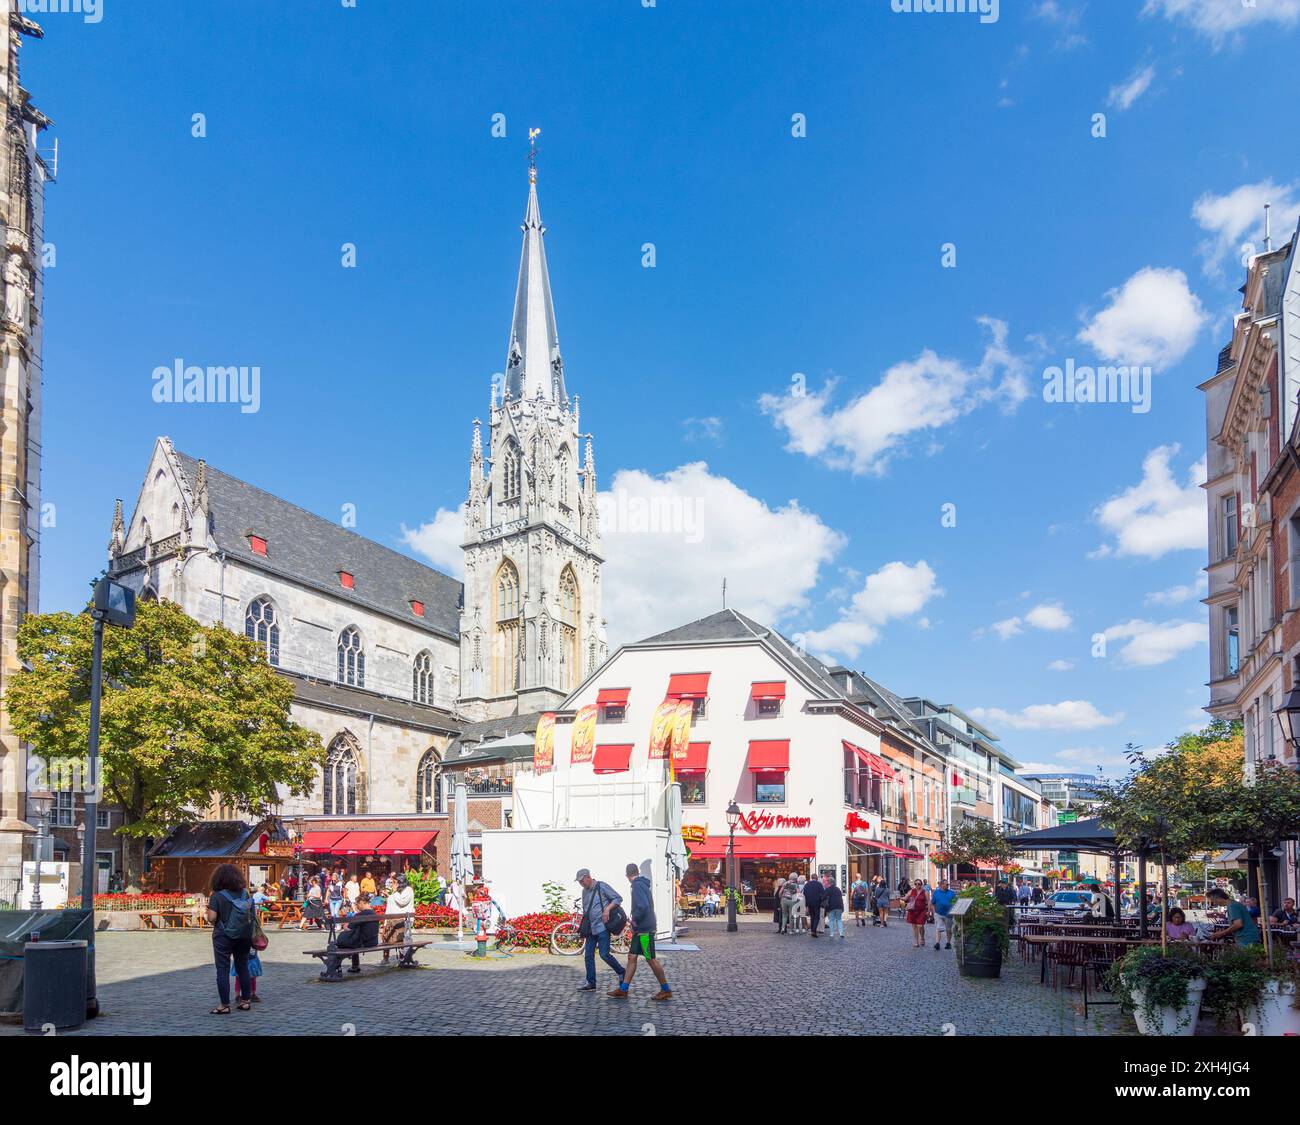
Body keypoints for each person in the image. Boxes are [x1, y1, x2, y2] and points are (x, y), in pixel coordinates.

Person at [610, 863, 673, 1001]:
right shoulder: (642, 884)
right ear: (637, 872)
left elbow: (642, 906)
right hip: (642, 929)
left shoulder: (637, 886)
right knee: (632, 957)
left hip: (644, 930)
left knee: (650, 959)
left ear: (627, 875)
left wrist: (634, 921)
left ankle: (666, 989)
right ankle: (624, 989)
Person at [204, 863, 255, 1014]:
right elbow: (252, 914)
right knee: (243, 967)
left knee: (222, 969)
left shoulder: (217, 896)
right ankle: (245, 1001)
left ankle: (224, 1005)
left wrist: (210, 916)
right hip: (244, 935)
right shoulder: (245, 894)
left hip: (223, 936)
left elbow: (212, 918)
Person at [575, 868, 626, 992]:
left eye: (582, 881)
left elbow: (618, 898)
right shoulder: (584, 892)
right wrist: (583, 927)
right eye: (579, 882)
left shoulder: (602, 886)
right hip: (591, 929)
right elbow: (586, 910)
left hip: (603, 927)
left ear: (588, 877)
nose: (581, 884)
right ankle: (591, 983)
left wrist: (607, 909)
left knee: (604, 954)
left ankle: (621, 972)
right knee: (588, 956)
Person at [322, 892, 381, 978]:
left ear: (362, 903)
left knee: (339, 944)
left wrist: (345, 926)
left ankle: (337, 967)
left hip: (362, 943)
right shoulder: (374, 914)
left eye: (357, 904)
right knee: (353, 941)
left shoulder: (360, 915)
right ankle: (355, 966)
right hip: (373, 942)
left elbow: (348, 927)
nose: (356, 906)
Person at [380, 874, 415, 961]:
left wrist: (394, 892)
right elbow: (392, 904)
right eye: (392, 882)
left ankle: (402, 958)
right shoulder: (397, 891)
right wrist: (389, 895)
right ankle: (386, 958)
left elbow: (402, 901)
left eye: (394, 882)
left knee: (399, 938)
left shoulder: (408, 890)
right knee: (385, 937)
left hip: (402, 920)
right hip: (391, 919)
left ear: (400, 882)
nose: (392, 884)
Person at [930, 879, 956, 951]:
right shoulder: (936, 892)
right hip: (939, 913)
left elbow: (955, 902)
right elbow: (932, 903)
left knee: (948, 929)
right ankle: (937, 943)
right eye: (946, 884)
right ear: (941, 885)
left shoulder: (952, 893)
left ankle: (948, 943)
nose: (947, 885)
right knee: (938, 928)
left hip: (949, 914)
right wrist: (934, 912)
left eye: (948, 884)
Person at [905, 879, 929, 949]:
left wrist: (929, 911)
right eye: (915, 884)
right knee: (914, 927)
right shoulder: (911, 891)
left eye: (919, 884)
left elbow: (929, 902)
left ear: (921, 885)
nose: (917, 885)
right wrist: (902, 898)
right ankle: (916, 941)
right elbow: (906, 897)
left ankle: (922, 937)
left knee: (920, 926)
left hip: (922, 911)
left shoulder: (925, 892)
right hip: (912, 911)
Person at [801, 873, 825, 938]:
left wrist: (806, 904)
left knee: (812, 916)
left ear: (811, 878)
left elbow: (804, 893)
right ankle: (813, 930)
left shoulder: (807, 884)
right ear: (816, 878)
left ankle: (812, 930)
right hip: (817, 903)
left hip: (809, 903)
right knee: (817, 917)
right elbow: (823, 893)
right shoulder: (819, 884)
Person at [824, 875, 845, 940]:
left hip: (831, 907)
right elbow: (840, 898)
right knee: (839, 920)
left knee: (831, 920)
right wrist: (842, 907)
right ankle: (841, 933)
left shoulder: (828, 889)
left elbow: (824, 897)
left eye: (827, 882)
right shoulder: (838, 889)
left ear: (829, 882)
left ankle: (832, 934)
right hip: (839, 906)